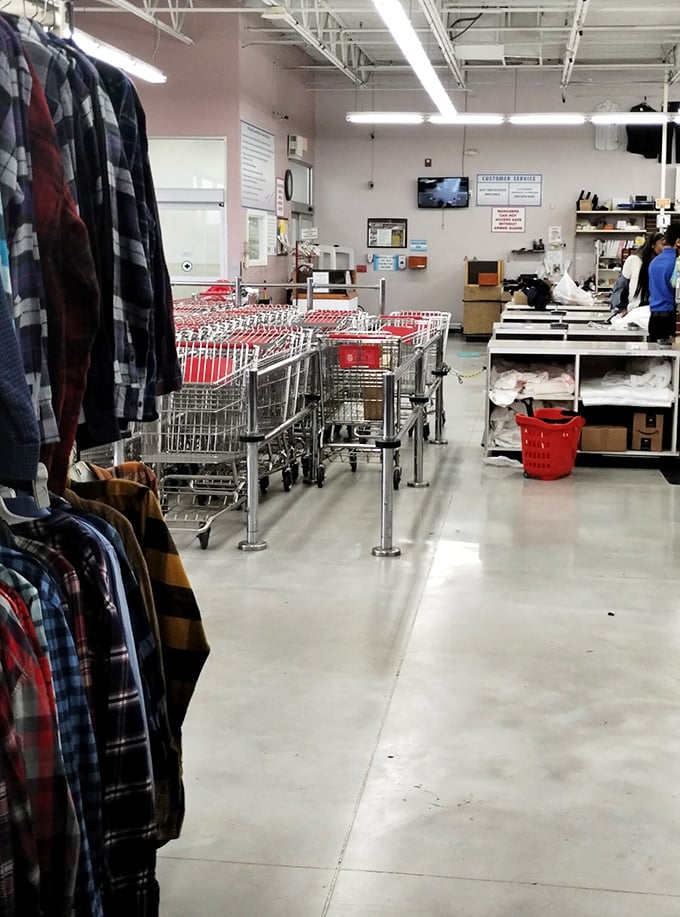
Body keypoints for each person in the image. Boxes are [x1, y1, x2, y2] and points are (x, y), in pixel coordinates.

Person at [647, 223, 680, 342]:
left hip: (654, 320)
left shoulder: (654, 262)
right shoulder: (677, 263)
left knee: (655, 359)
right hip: (671, 321)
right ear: (678, 242)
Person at [620, 231, 665, 313]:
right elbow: (622, 288)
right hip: (634, 309)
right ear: (653, 245)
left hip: (654, 310)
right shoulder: (634, 260)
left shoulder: (663, 263)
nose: (665, 248)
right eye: (663, 244)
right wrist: (622, 308)